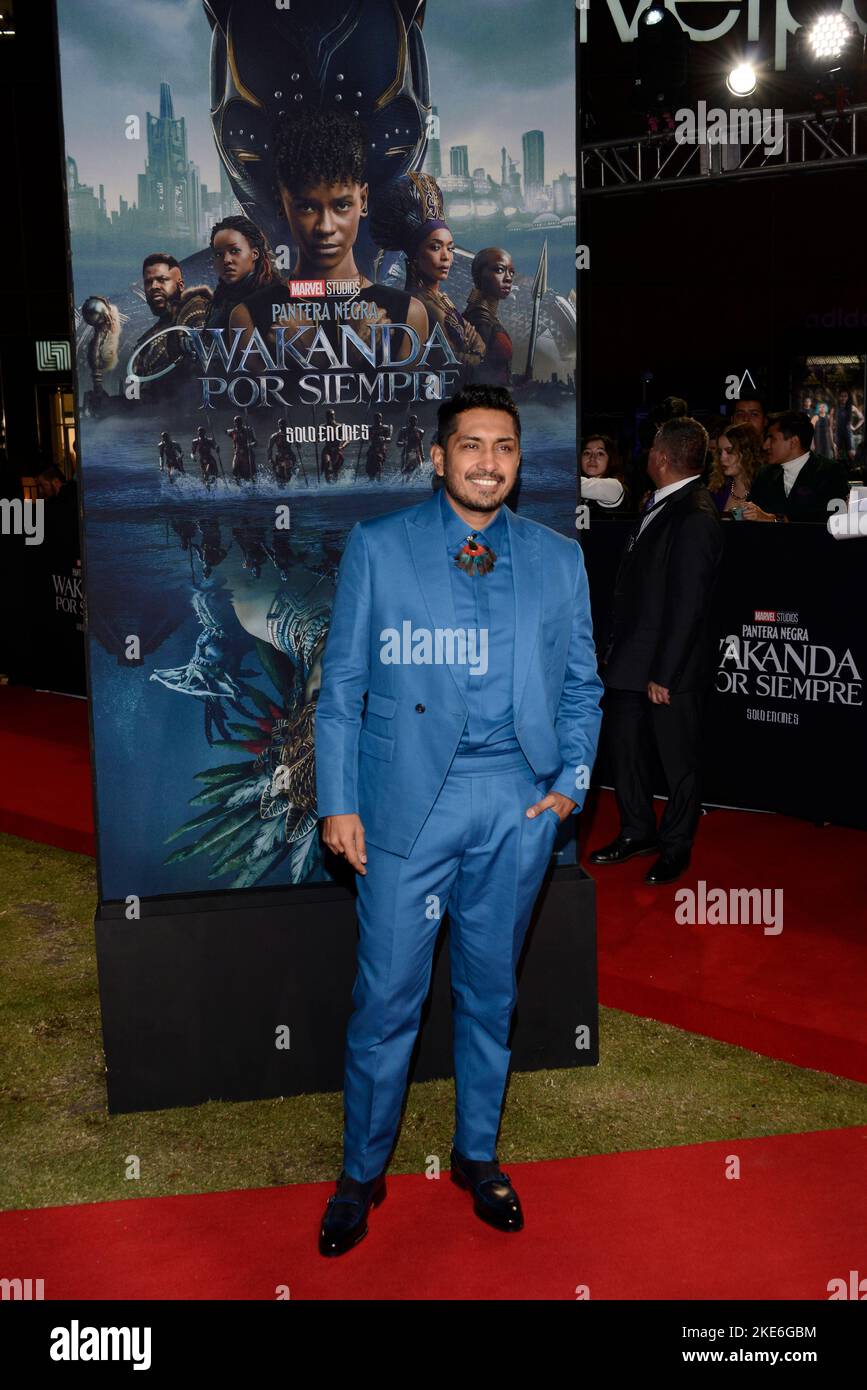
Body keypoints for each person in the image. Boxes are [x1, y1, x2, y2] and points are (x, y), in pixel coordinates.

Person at [314, 383, 603, 1255]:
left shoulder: (559, 559)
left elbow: (585, 687)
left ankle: (477, 1156)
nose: (488, 461)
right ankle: (360, 1176)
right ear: (438, 457)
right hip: (407, 806)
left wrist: (570, 789)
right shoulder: (379, 547)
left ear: (520, 460)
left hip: (516, 804)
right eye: (471, 445)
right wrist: (337, 802)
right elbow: (341, 690)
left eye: (505, 447)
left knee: (491, 992)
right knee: (387, 998)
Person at [589, 417, 723, 886]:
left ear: (662, 458)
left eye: (651, 450)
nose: (647, 456)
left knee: (678, 762)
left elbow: (689, 605)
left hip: (671, 668)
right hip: (631, 658)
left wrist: (665, 672)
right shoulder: (660, 503)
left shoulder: (695, 515)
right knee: (623, 750)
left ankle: (675, 847)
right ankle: (637, 830)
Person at [232, 110, 428, 369]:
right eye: (307, 207)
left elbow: (411, 409)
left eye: (342, 206)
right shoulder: (248, 317)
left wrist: (325, 360)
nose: (325, 227)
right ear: (282, 204)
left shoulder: (408, 314)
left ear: (364, 200)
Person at [370, 172, 486, 377]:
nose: (446, 257)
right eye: (435, 247)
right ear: (415, 255)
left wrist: (473, 349)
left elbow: (478, 343)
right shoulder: (416, 306)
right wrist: (473, 353)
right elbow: (451, 360)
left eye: (450, 248)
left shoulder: (442, 299)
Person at [128, 254, 212, 399]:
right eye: (148, 282)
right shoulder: (147, 339)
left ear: (180, 285)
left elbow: (203, 368)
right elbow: (138, 398)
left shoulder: (195, 310)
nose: (154, 286)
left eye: (162, 280)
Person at [744, 411, 850, 523]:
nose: (765, 445)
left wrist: (775, 519)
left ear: (793, 442)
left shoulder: (830, 471)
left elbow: (833, 519)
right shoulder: (765, 474)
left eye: (772, 439)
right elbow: (750, 513)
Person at [205, 215, 274, 333]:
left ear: (255, 254)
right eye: (218, 254)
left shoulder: (273, 298)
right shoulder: (220, 299)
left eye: (234, 251)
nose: (226, 260)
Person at [464, 247, 515, 385]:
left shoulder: (486, 316)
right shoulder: (480, 319)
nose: (509, 278)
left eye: (511, 272)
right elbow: (477, 375)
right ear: (479, 274)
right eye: (499, 270)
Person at [708, 424, 764, 516]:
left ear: (747, 453)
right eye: (720, 452)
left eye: (729, 451)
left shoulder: (767, 488)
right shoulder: (717, 490)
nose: (722, 458)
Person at [579, 434, 626, 512]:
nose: (592, 458)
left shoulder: (614, 486)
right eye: (587, 453)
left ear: (610, 460)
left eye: (600, 453)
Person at [267, 417, 299, 483]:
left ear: (286, 425)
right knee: (280, 474)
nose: (281, 425)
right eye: (280, 424)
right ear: (278, 425)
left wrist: (297, 444)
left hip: (289, 455)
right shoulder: (274, 436)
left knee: (290, 473)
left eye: (283, 424)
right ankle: (282, 486)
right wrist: (270, 459)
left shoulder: (290, 435)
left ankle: (289, 484)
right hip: (280, 456)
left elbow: (298, 445)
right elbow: (269, 448)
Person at [226, 416, 256, 483]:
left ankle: (253, 484)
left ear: (242, 422)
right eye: (236, 422)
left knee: (252, 472)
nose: (237, 423)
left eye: (239, 421)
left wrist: (250, 444)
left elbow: (255, 442)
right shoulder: (233, 431)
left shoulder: (248, 430)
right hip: (238, 454)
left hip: (247, 452)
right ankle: (238, 487)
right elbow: (226, 431)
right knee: (234, 471)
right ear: (234, 423)